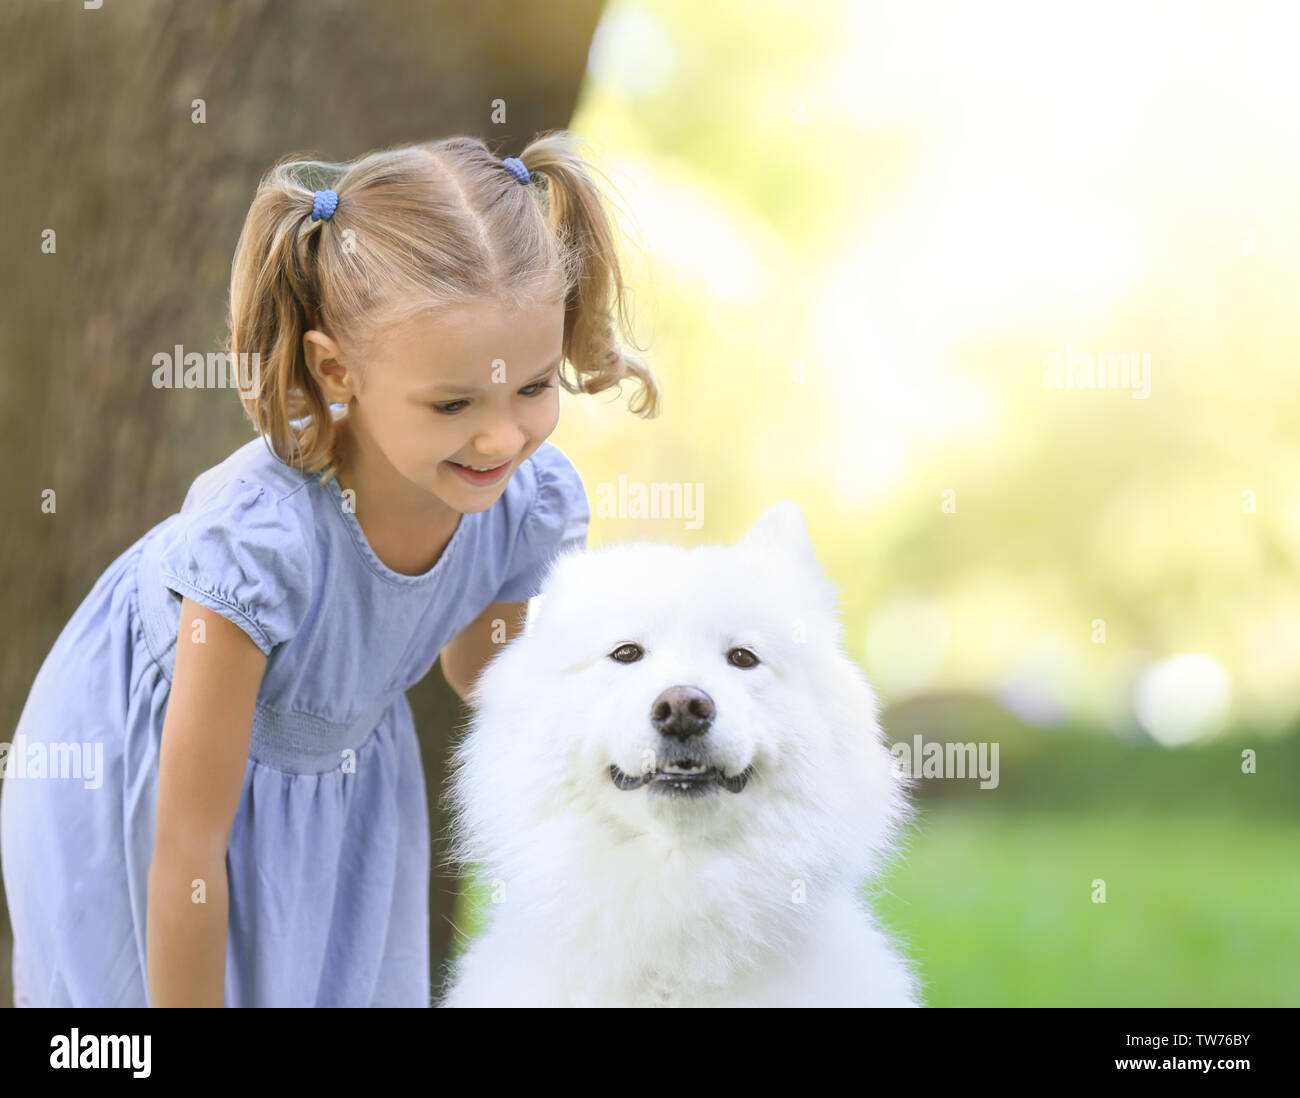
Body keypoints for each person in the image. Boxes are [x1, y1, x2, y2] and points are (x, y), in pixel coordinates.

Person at [0, 132, 658, 1006]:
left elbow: (487, 676)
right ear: (335, 369)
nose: (502, 436)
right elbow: (187, 848)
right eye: (455, 403)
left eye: (534, 387)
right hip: (150, 760)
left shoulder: (522, 504)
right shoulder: (264, 544)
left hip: (341, 761)